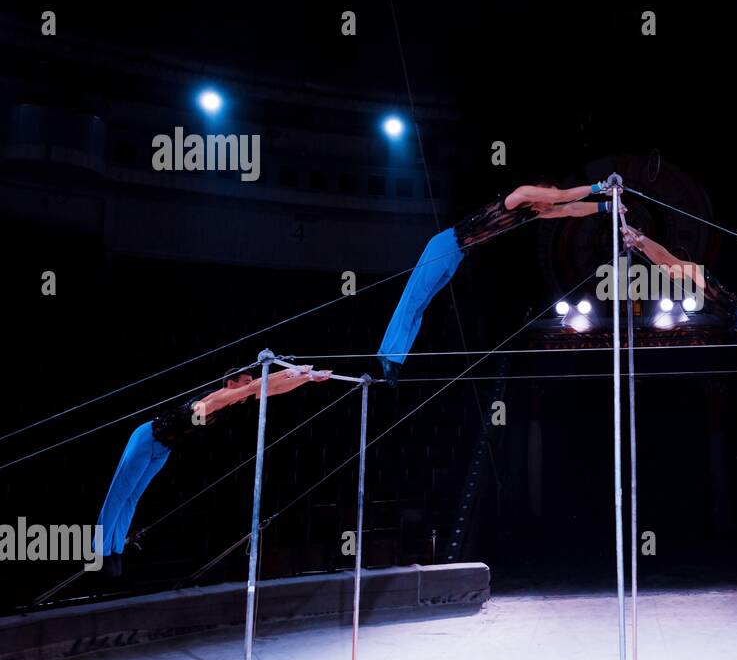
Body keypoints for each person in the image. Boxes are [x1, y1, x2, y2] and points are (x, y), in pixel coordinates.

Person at [378, 181, 613, 385]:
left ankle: (395, 358)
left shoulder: (531, 212)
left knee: (421, 305)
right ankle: (389, 355)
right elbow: (562, 197)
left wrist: (606, 206)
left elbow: (570, 208)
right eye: (547, 199)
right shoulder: (516, 197)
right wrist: (599, 187)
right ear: (539, 193)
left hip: (458, 254)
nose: (550, 206)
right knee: (413, 298)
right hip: (444, 245)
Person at [96, 363, 333, 559]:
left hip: (164, 448)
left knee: (133, 495)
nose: (249, 387)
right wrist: (292, 371)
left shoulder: (233, 402)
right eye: (245, 382)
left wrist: (307, 378)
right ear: (231, 383)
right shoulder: (215, 399)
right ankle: (99, 548)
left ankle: (115, 548)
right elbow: (260, 384)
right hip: (147, 437)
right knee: (120, 492)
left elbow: (272, 389)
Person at [620, 222, 737, 432]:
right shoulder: (687, 280)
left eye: (668, 270)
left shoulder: (693, 273)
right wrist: (640, 244)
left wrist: (639, 239)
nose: (667, 273)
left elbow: (663, 257)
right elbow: (660, 258)